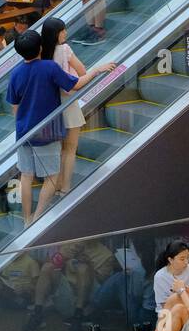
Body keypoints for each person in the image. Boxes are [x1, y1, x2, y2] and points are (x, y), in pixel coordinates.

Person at [6, 28, 114, 226]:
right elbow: (75, 84)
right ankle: (38, 217)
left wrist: (22, 123)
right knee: (52, 176)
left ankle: (26, 219)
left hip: (24, 133)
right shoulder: (49, 67)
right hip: (47, 130)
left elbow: (14, 105)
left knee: (27, 176)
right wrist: (97, 70)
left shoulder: (16, 73)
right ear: (40, 47)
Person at [40, 17, 89, 198]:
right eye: (63, 30)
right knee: (70, 148)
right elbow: (82, 71)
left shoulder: (41, 52)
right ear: (57, 33)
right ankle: (65, 188)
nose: (65, 33)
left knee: (58, 149)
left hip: (49, 106)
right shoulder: (65, 49)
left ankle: (56, 185)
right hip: (67, 103)